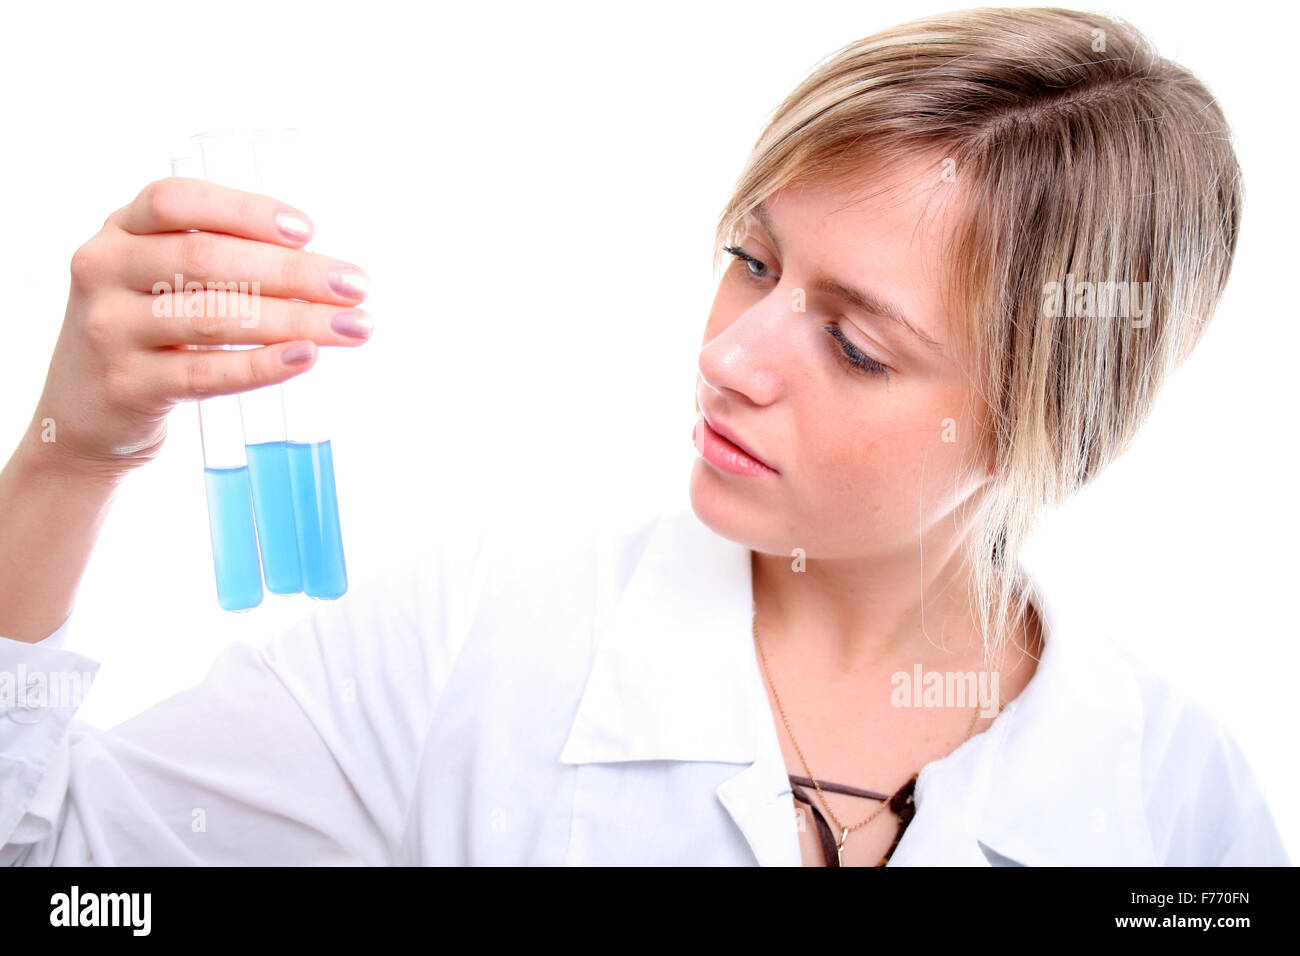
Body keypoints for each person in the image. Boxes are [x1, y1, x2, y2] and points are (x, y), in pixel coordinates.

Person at [0, 6, 1289, 866]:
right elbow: (55, 872)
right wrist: (70, 455)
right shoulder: (467, 641)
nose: (728, 358)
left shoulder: (1178, 800)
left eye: (856, 344)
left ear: (1050, 425)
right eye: (751, 259)